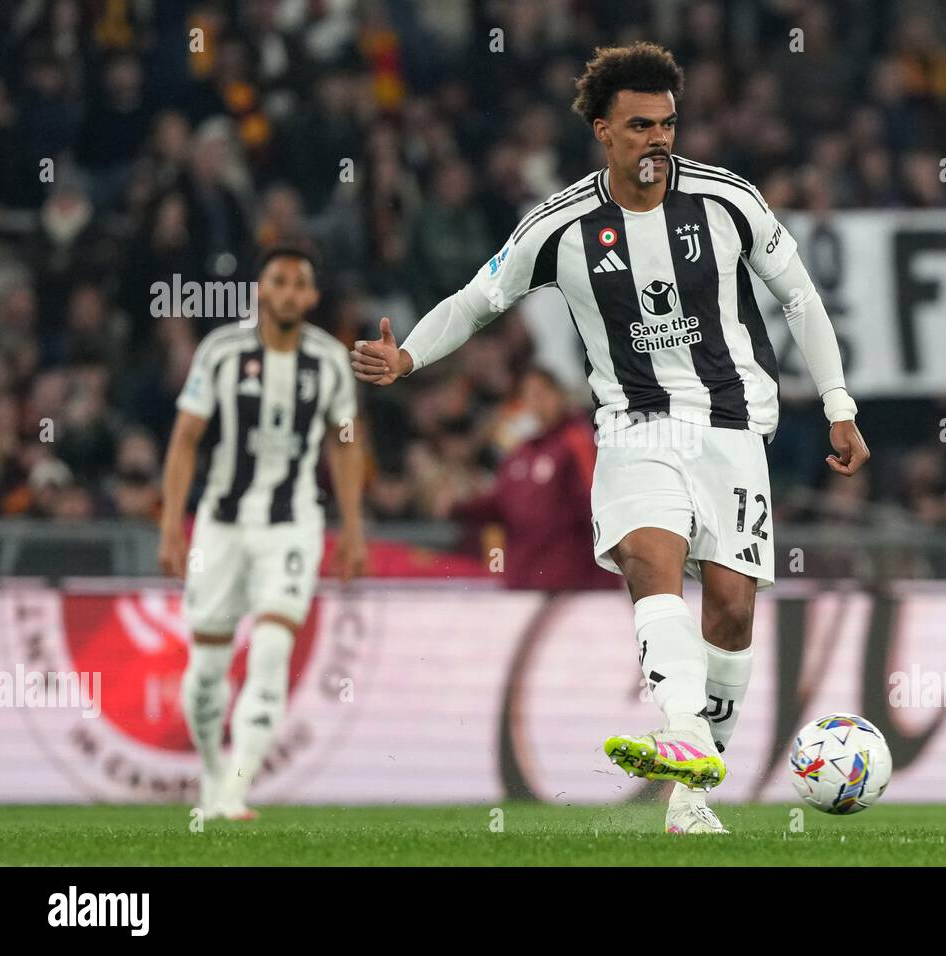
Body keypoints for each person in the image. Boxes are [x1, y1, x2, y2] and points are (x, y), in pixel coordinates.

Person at [351, 43, 867, 834]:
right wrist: (409, 353)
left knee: (729, 609)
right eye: (639, 126)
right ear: (603, 131)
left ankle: (693, 793)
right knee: (650, 562)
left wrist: (838, 402)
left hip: (732, 428)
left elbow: (799, 298)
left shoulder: (728, 202)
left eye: (667, 124)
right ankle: (685, 738)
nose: (657, 139)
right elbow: (475, 301)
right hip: (633, 428)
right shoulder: (559, 227)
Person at [159, 247, 367, 820]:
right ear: (259, 291)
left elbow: (346, 441)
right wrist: (171, 526)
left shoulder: (328, 362)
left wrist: (352, 528)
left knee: (272, 650)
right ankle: (212, 771)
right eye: (278, 281)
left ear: (312, 297)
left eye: (300, 284)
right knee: (204, 676)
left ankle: (235, 793)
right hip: (220, 526)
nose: (289, 292)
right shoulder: (221, 352)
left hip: (292, 523)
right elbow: (185, 439)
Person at [449, 366, 620, 590]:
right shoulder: (521, 452)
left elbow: (597, 504)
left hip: (577, 586)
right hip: (525, 580)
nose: (537, 403)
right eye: (529, 396)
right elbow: (502, 504)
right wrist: (458, 506)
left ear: (558, 395)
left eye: (542, 394)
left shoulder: (577, 441)